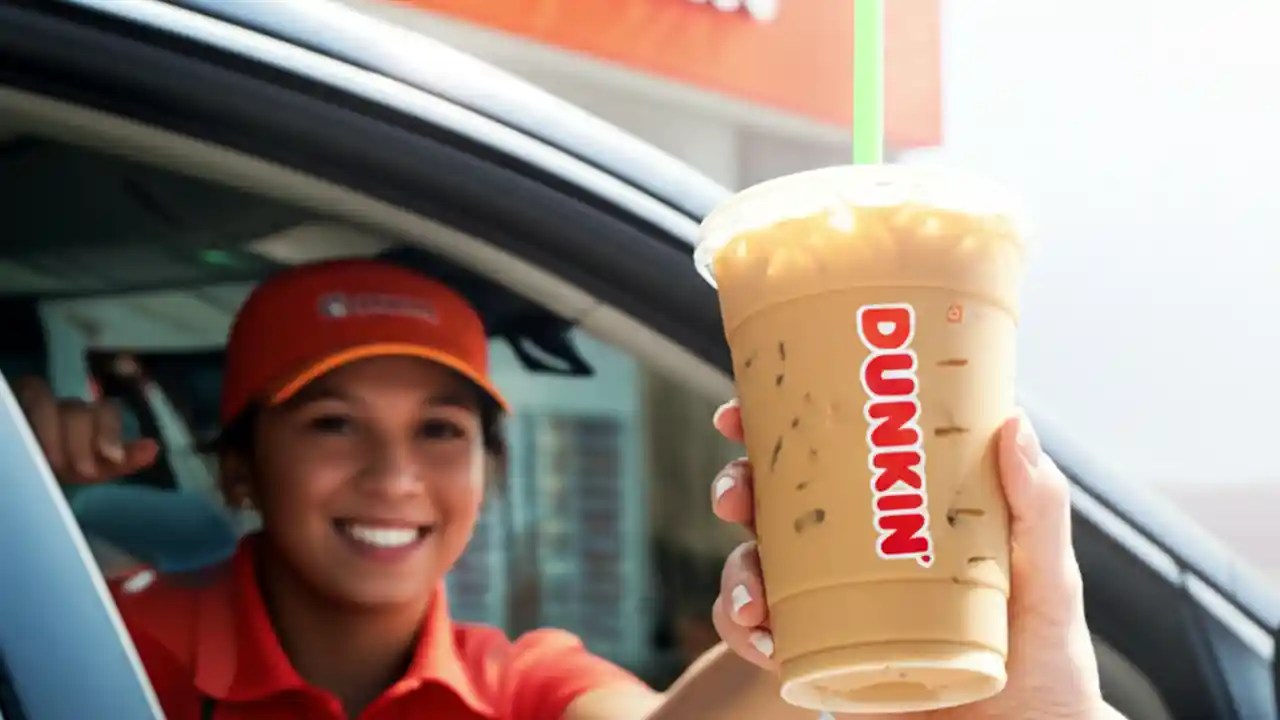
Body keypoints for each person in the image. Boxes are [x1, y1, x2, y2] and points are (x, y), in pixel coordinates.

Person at [16, 258, 1124, 719]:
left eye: (441, 430)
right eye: (331, 424)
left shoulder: (523, 681)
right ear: (240, 467)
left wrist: (798, 592)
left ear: (488, 474)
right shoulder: (106, 647)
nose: (396, 476)